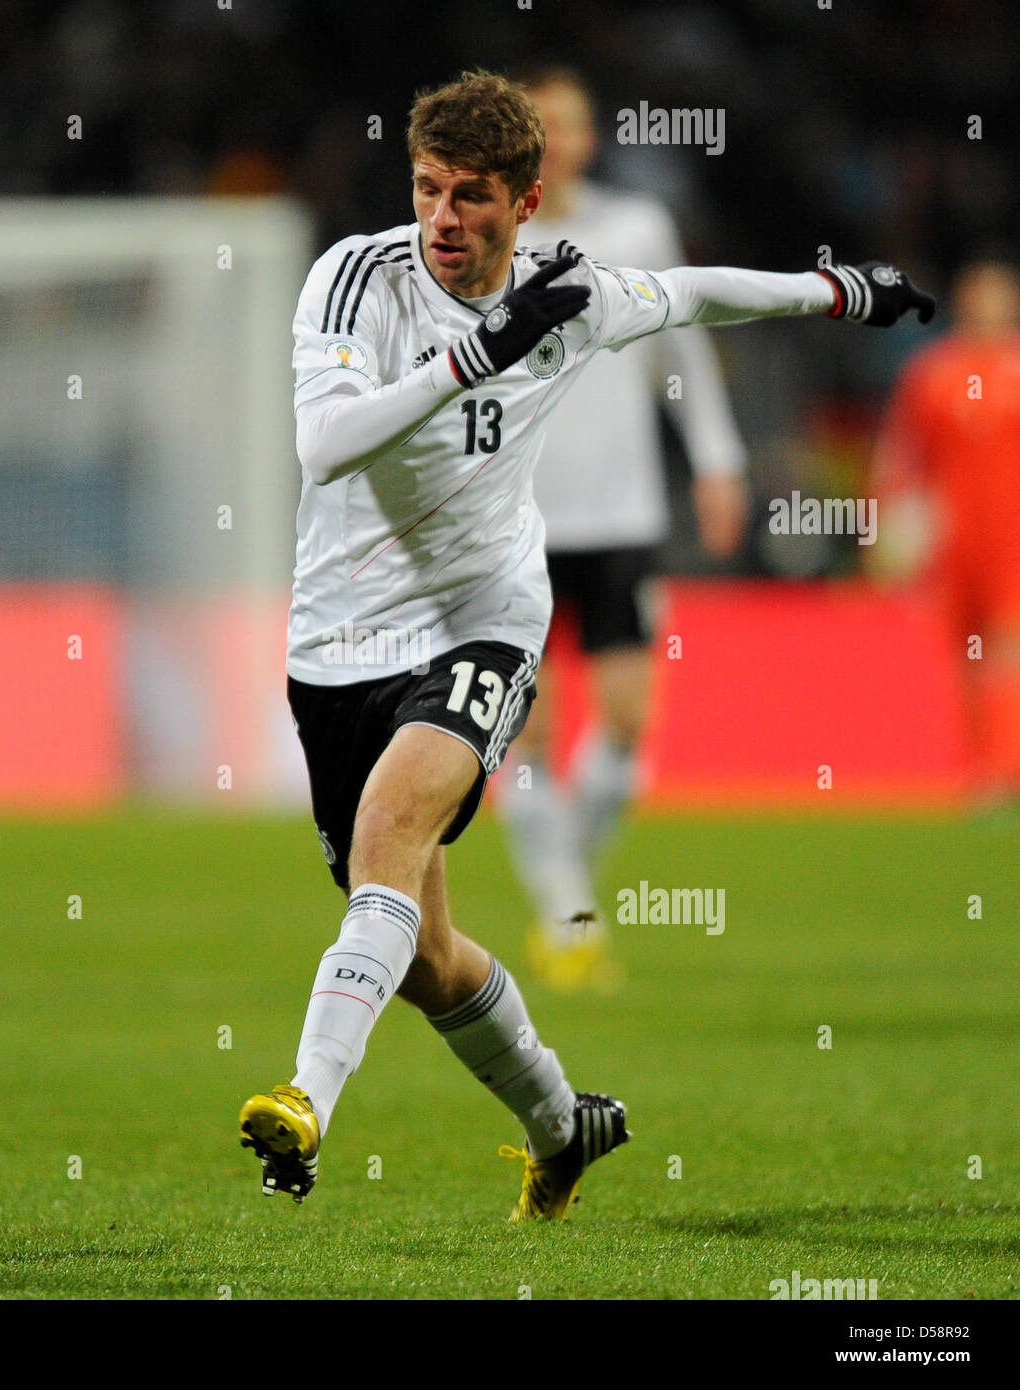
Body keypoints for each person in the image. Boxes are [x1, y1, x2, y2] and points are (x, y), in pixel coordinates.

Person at [239, 69, 934, 1221]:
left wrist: (840, 290)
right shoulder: (355, 278)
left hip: (484, 624)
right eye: (425, 190)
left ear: (527, 198)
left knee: (387, 842)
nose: (443, 220)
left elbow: (694, 295)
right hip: (336, 643)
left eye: (470, 196)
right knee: (425, 954)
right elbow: (324, 445)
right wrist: (478, 349)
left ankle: (304, 1102)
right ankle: (565, 1124)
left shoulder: (575, 294)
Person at [496, 69, 750, 993]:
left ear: (590, 136)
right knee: (526, 729)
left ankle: (566, 887)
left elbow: (681, 357)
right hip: (512, 518)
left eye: (570, 123)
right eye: (541, 126)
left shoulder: (637, 230)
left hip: (624, 513)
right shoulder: (490, 236)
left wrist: (716, 460)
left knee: (630, 718)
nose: (558, 140)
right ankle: (566, 917)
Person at [872, 259, 1020, 808]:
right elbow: (903, 456)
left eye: (998, 295)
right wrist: (890, 523)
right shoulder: (933, 373)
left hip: (1013, 538)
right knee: (966, 659)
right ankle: (979, 771)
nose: (989, 306)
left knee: (1007, 653)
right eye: (979, 295)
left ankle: (1005, 771)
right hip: (956, 540)